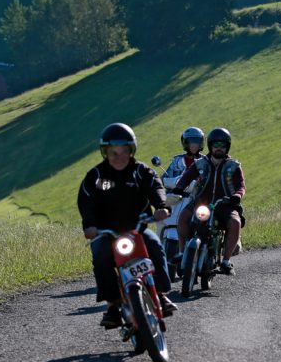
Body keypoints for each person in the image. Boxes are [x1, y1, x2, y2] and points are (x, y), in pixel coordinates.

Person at [78, 122, 178, 329]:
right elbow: (87, 200)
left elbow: (156, 187)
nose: (119, 156)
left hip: (137, 229)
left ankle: (160, 294)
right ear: (105, 152)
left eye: (124, 151)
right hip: (107, 233)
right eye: (113, 152)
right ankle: (113, 306)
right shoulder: (97, 177)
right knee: (100, 254)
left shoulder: (141, 172)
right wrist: (89, 225)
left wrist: (162, 207)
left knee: (154, 245)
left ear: (132, 150)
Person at [172, 127, 245, 275]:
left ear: (227, 147)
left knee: (235, 222)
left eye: (222, 145)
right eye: (216, 145)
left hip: (225, 204)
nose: (219, 148)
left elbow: (241, 185)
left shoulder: (233, 166)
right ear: (210, 146)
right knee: (183, 218)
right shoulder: (200, 163)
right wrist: (179, 187)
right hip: (201, 203)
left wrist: (237, 195)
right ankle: (181, 253)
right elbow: (187, 176)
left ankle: (226, 261)